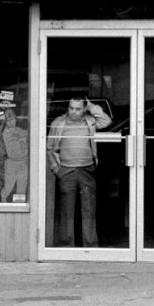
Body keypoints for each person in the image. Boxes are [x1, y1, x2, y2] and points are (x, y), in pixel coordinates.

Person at [47, 97, 111, 247]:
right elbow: (49, 147)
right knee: (66, 211)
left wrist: (92, 107)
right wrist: (56, 168)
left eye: (78, 109)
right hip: (66, 170)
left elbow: (106, 121)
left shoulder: (90, 121)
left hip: (86, 170)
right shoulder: (58, 122)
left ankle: (90, 245)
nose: (73, 112)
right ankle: (66, 246)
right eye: (71, 108)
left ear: (84, 109)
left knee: (89, 209)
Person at [0, 108, 30, 203]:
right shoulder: (7, 132)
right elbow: (17, 134)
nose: (11, 122)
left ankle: (19, 206)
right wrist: (25, 134)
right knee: (8, 187)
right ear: (5, 122)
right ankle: (3, 204)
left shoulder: (19, 130)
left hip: (23, 162)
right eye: (8, 121)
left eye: (12, 119)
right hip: (12, 163)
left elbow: (25, 134)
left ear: (16, 119)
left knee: (21, 188)